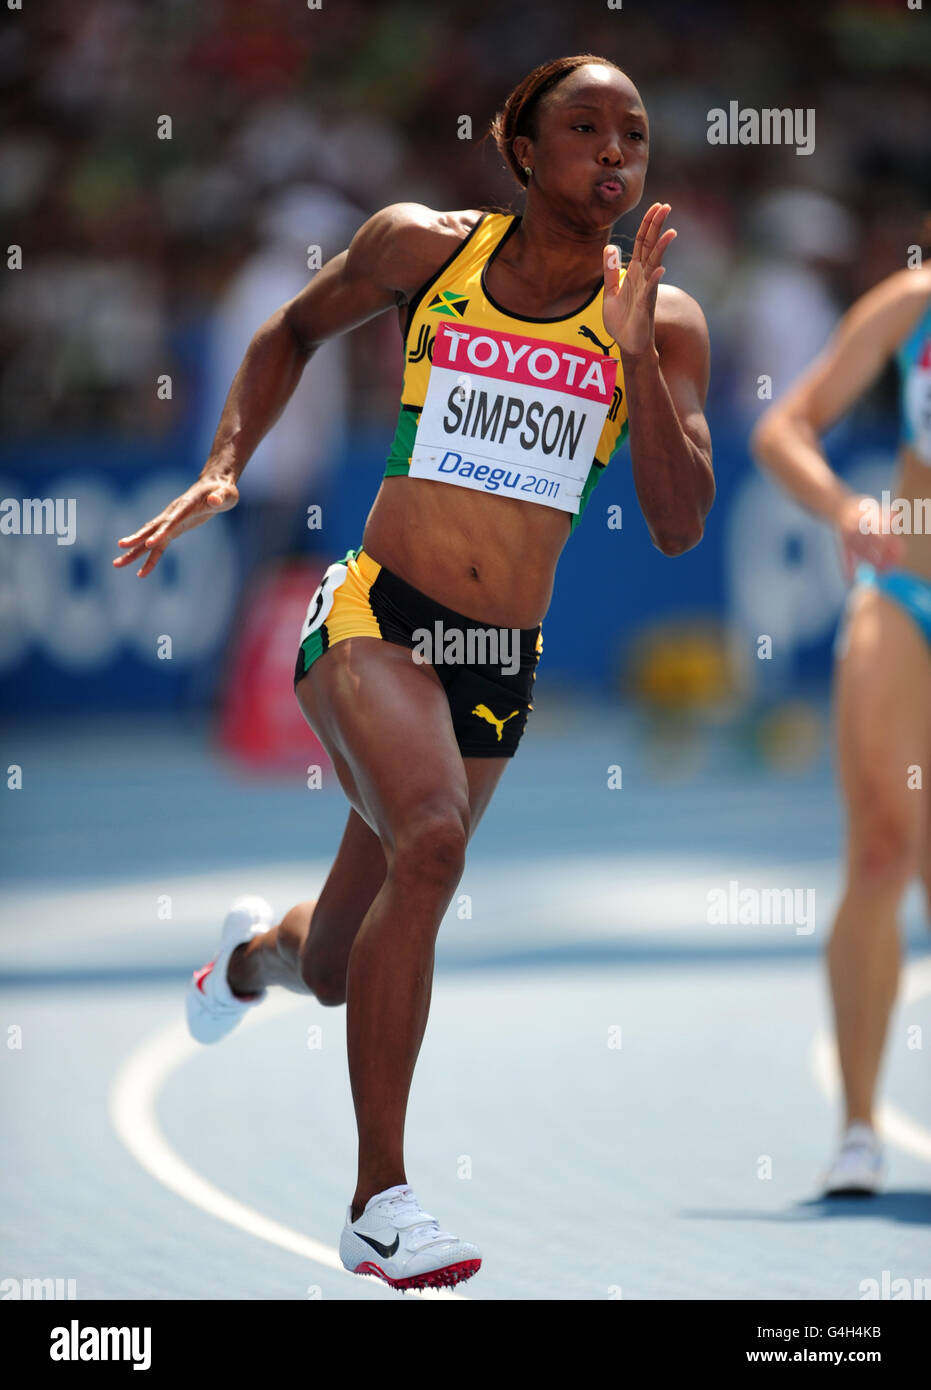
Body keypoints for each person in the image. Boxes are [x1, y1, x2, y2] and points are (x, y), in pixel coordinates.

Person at [113, 53, 714, 1290]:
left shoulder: (663, 318)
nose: (613, 154)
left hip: (495, 660)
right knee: (430, 842)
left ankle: (247, 959)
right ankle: (378, 1201)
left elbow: (675, 521)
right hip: (375, 614)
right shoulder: (421, 251)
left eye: (633, 137)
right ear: (523, 151)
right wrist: (230, 460)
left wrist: (635, 354)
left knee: (335, 965)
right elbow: (290, 328)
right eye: (585, 129)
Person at [752, 258, 931, 1195]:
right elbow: (783, 426)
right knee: (878, 850)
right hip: (903, 593)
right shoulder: (913, 303)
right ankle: (858, 1128)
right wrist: (843, 505)